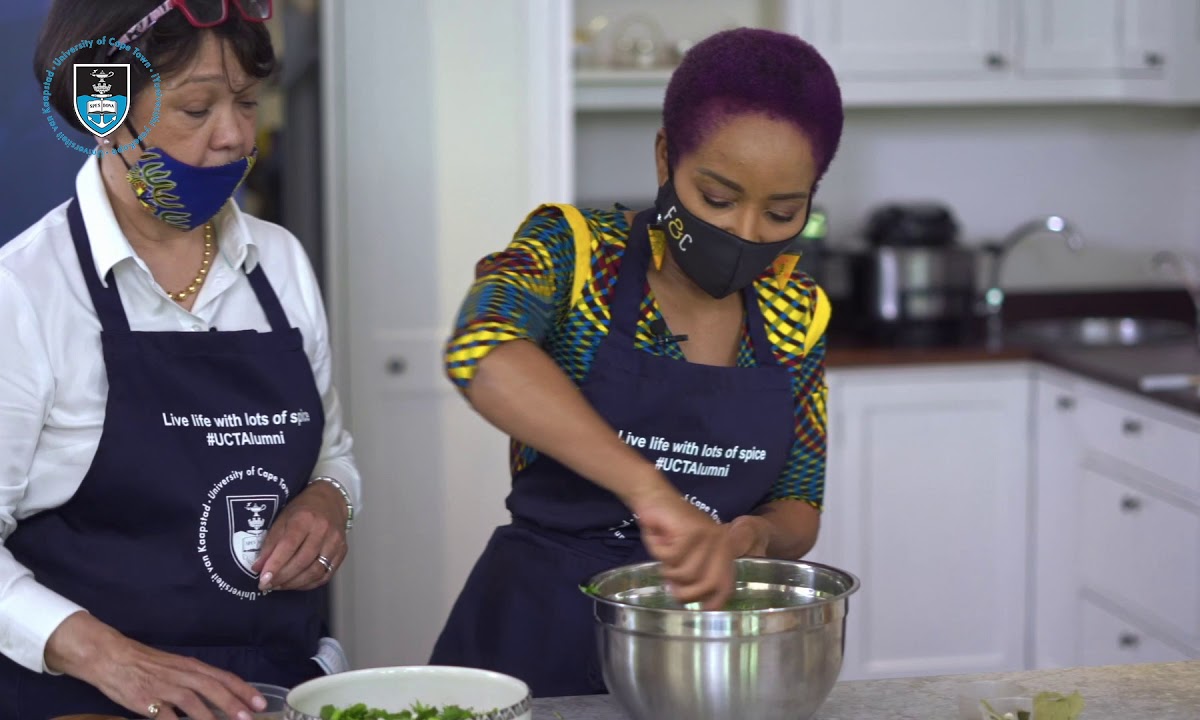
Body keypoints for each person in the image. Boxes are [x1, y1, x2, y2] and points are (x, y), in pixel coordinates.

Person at [430, 27, 843, 698]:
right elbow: (485, 350)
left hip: (696, 662)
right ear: (664, 158)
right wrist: (652, 493)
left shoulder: (796, 312)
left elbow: (799, 497)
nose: (744, 232)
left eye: (781, 211)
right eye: (717, 198)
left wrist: (754, 536)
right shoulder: (575, 252)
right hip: (533, 635)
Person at [0, 2, 361, 719]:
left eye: (247, 102)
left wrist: (329, 501)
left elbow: (334, 453)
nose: (233, 135)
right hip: (84, 696)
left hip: (274, 683)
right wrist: (111, 658)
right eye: (196, 108)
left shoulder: (279, 263)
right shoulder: (26, 292)